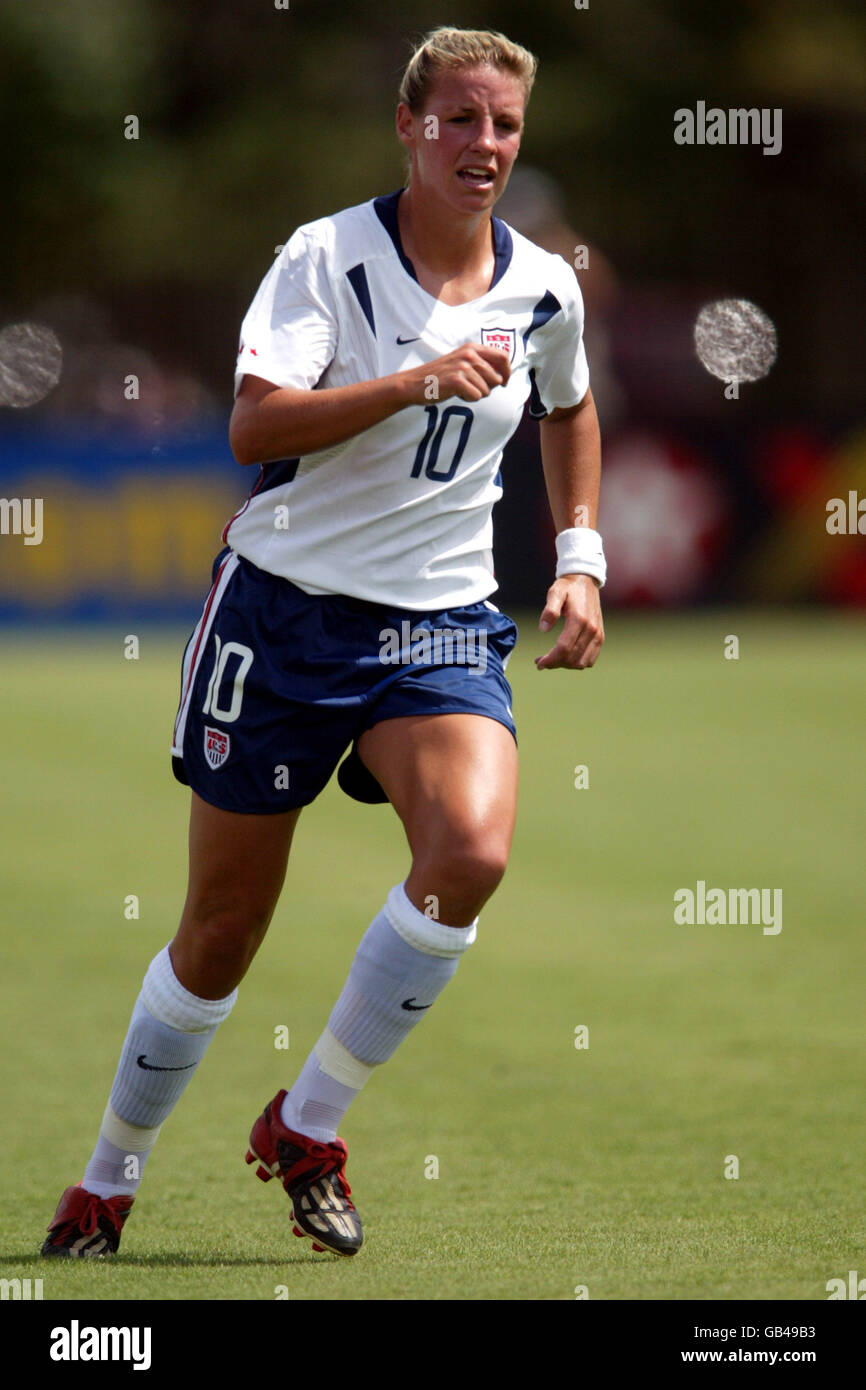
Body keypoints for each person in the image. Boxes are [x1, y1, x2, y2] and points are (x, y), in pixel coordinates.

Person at [42, 25, 605, 1261]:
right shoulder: (326, 257)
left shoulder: (544, 285)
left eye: (502, 125)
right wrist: (414, 381)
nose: (483, 145)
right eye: (458, 120)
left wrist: (576, 555)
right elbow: (253, 426)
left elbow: (568, 405)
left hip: (441, 623)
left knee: (470, 849)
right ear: (408, 128)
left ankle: (307, 1124)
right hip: (286, 614)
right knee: (220, 932)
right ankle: (107, 1179)